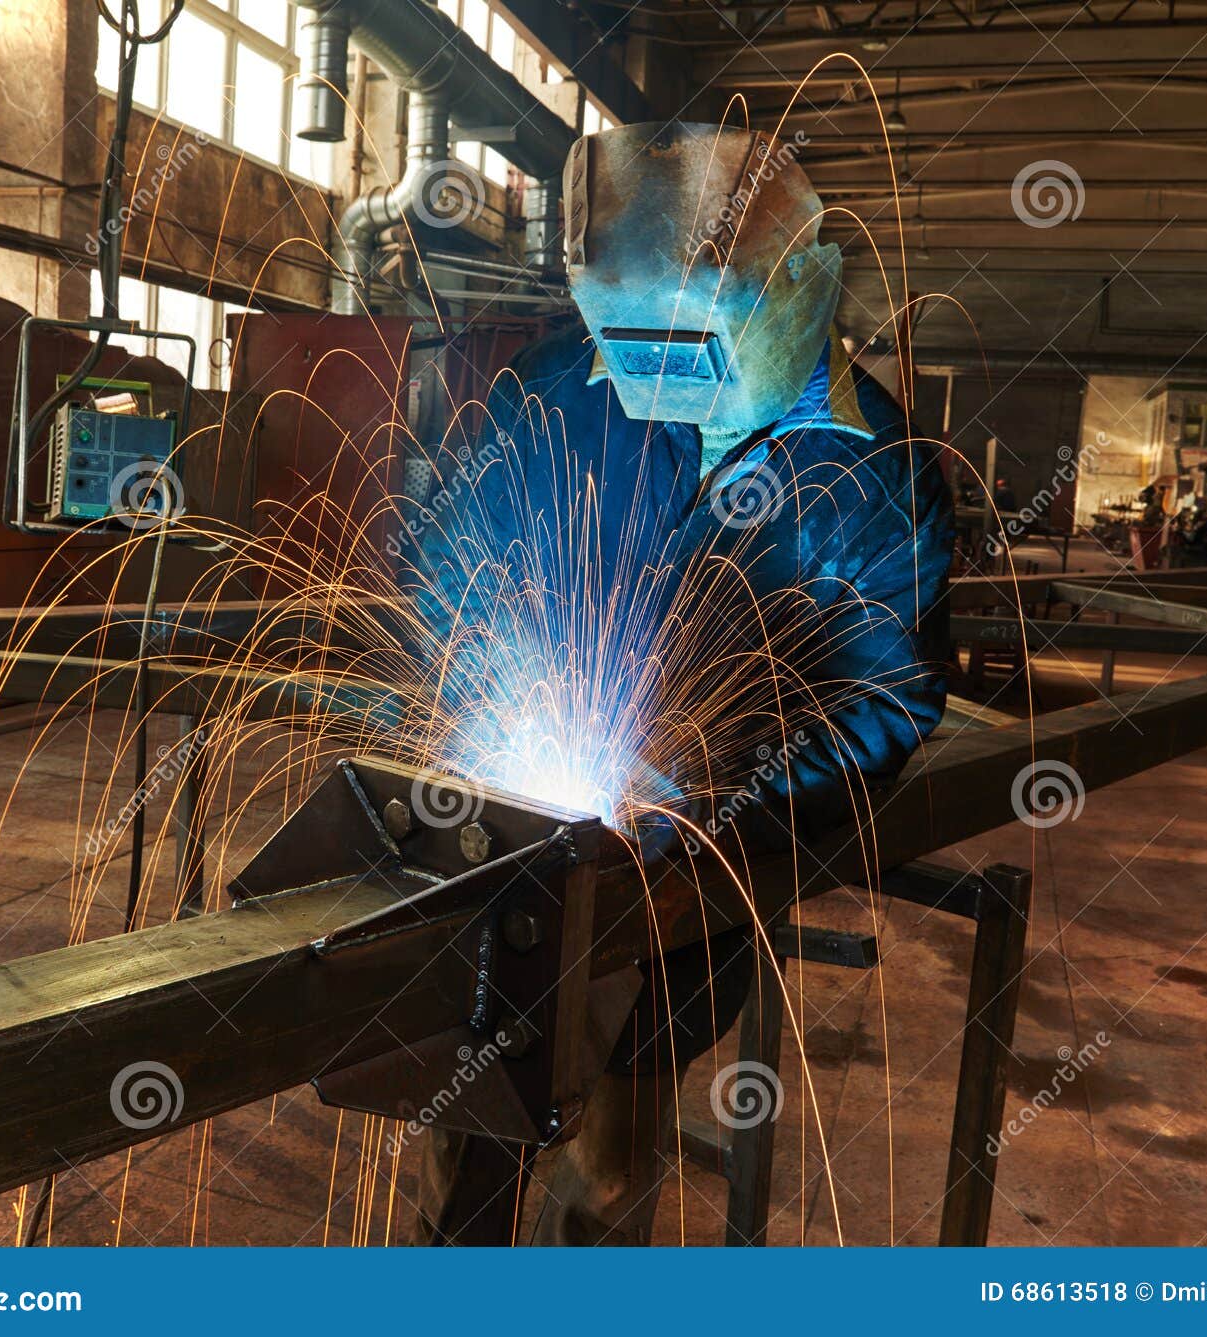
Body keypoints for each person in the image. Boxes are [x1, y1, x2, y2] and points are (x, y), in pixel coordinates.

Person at [405, 121, 953, 1245]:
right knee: (463, 1138)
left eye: (690, 339)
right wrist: (477, 702)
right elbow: (449, 571)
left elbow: (887, 701)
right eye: (628, 337)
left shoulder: (879, 480)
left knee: (610, 1157)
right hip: (503, 853)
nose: (652, 371)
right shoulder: (555, 383)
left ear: (801, 291)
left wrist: (718, 780)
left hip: (688, 894)